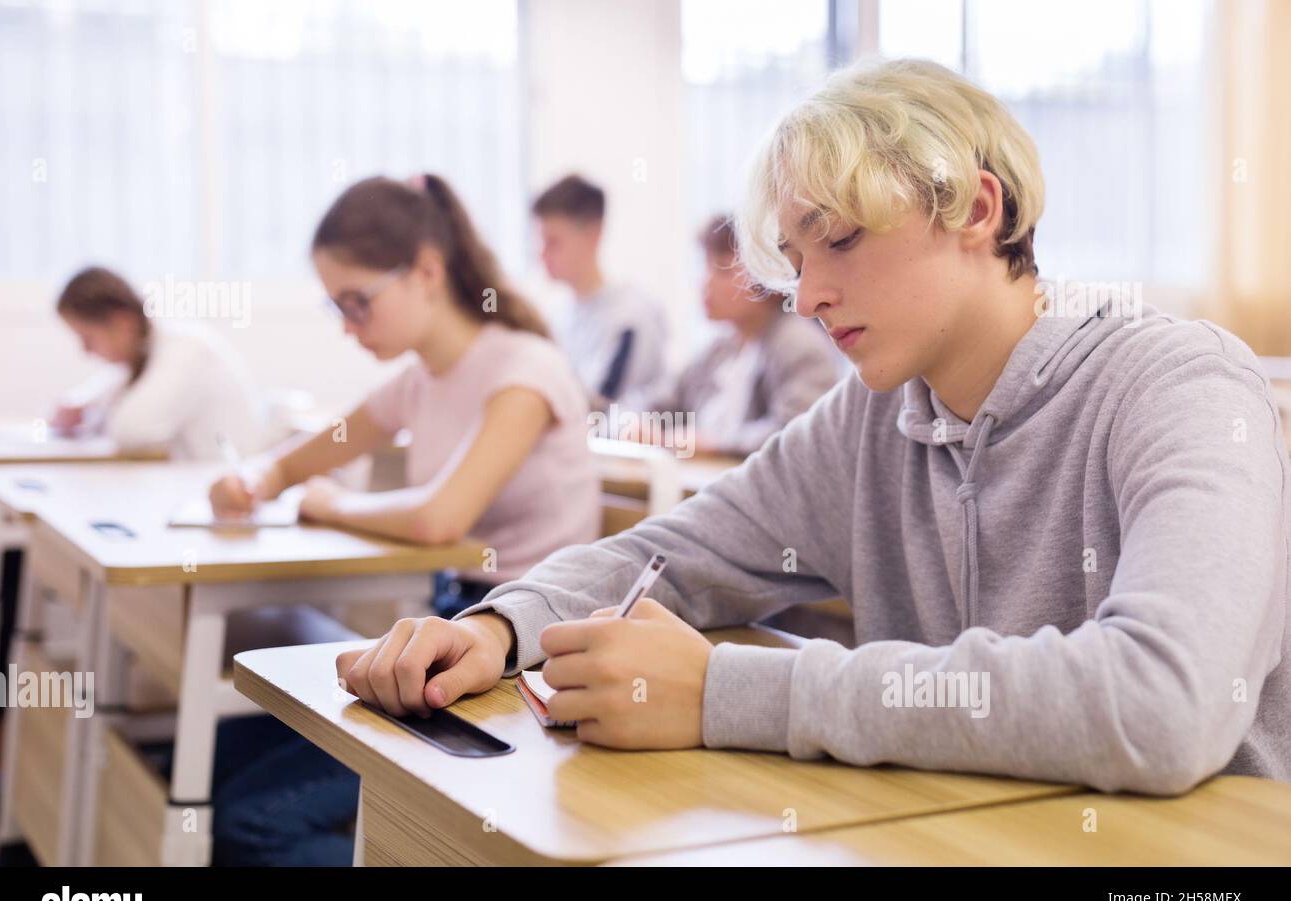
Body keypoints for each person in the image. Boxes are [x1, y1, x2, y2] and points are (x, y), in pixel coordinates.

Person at [335, 60, 1291, 796]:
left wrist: (726, 697)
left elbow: (1167, 704)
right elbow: (680, 550)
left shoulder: (1181, 387)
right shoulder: (874, 414)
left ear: (977, 209)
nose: (812, 294)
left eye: (840, 238)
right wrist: (506, 626)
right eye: (795, 258)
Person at [208, 173, 600, 865]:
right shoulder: (422, 376)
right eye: (337, 306)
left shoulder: (524, 369)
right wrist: (258, 477)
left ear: (426, 271)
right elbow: (333, 441)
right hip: (453, 629)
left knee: (253, 819)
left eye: (358, 302)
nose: (348, 325)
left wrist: (330, 503)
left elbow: (437, 520)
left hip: (522, 649)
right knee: (228, 751)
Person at [627, 214, 839, 457]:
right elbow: (657, 402)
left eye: (721, 268)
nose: (705, 283)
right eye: (705, 267)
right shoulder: (720, 349)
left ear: (767, 271)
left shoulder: (798, 344)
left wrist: (716, 444)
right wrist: (637, 423)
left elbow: (797, 434)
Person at [52, 266, 265, 460]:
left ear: (122, 323)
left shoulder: (186, 351)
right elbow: (82, 401)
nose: (86, 351)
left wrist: (93, 413)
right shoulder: (140, 358)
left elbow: (130, 431)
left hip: (224, 483)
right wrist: (81, 410)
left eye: (88, 338)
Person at [532, 174, 667, 405]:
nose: (541, 254)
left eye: (553, 242)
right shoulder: (556, 316)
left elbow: (598, 407)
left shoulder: (630, 318)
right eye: (539, 241)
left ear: (593, 235)